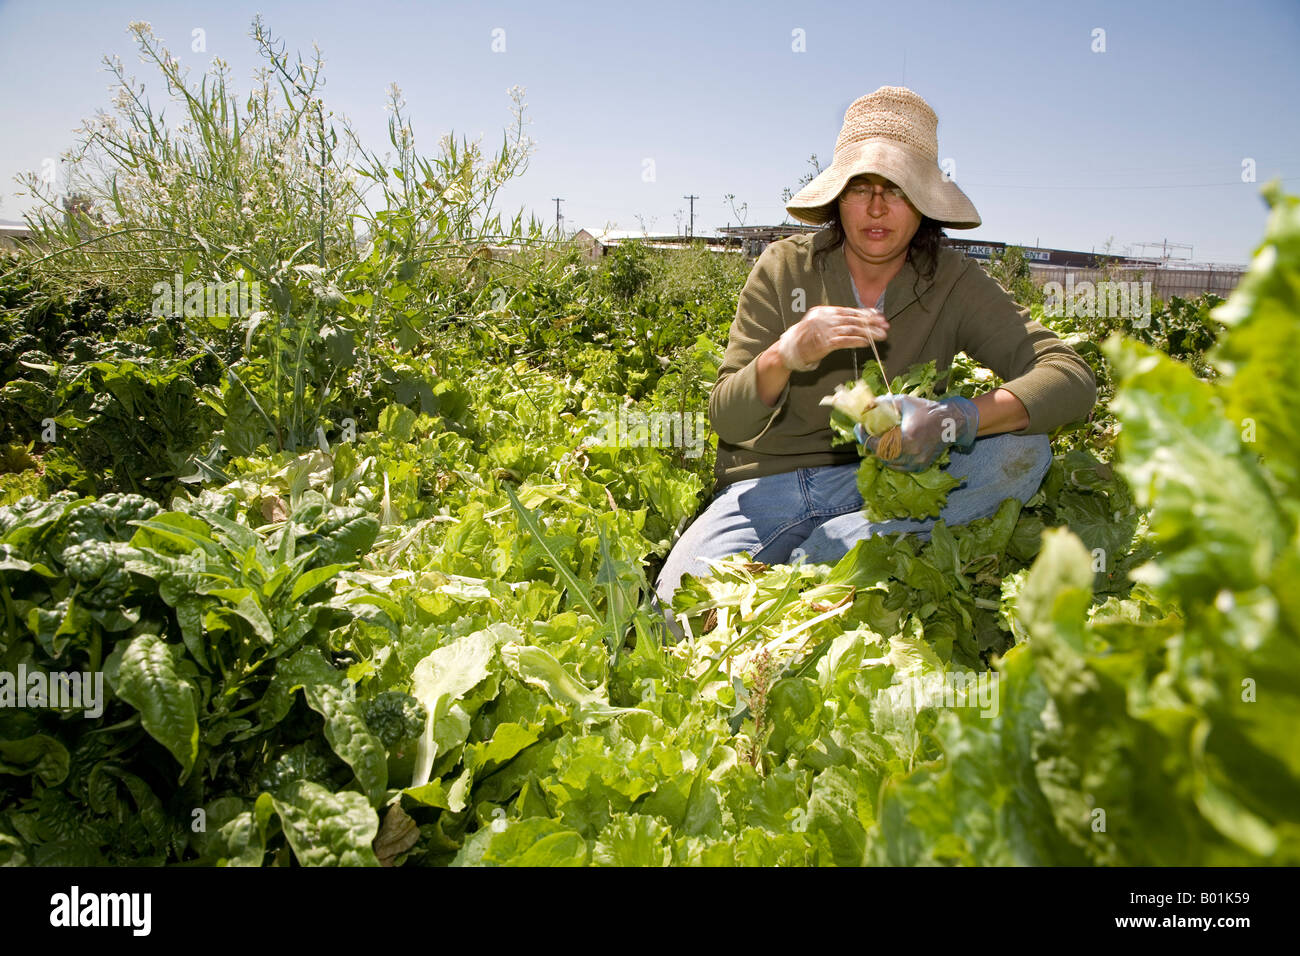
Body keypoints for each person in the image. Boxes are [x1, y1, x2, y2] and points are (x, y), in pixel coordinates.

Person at [653, 86, 1097, 623]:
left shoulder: (954, 282)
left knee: (1023, 449)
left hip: (891, 486)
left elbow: (1070, 376)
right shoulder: (784, 268)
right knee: (677, 611)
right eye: (861, 188)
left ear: (925, 202)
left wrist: (956, 418)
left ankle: (826, 555)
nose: (877, 208)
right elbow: (727, 419)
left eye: (898, 190)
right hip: (768, 487)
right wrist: (783, 356)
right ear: (838, 197)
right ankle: (835, 569)